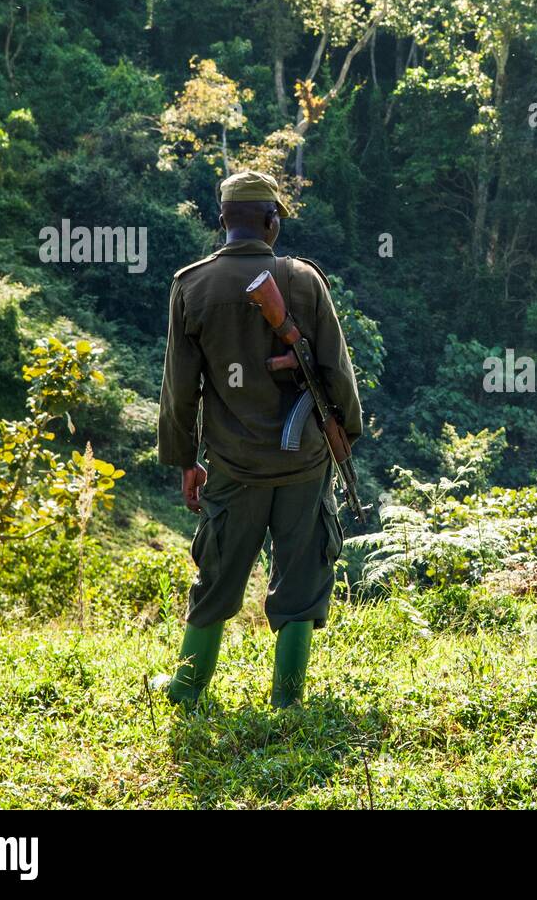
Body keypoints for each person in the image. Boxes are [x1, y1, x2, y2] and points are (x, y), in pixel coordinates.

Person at [157, 170, 362, 709]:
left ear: (223, 220)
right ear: (271, 222)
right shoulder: (303, 279)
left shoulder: (191, 285)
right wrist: (345, 434)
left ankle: (186, 688)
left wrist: (185, 461)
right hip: (304, 464)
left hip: (232, 463)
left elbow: (180, 389)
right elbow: (337, 371)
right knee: (300, 580)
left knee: (217, 577)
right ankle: (288, 700)